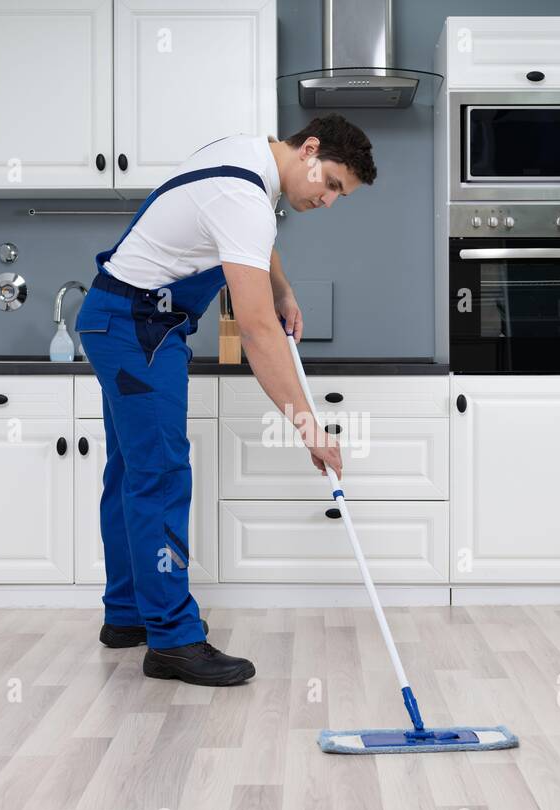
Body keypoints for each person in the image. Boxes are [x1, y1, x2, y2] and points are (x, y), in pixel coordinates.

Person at [74, 114, 377, 687]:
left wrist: (282, 287)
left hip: (120, 319)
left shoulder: (248, 160)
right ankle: (171, 639)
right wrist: (310, 428)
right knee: (159, 474)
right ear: (310, 150)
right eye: (333, 184)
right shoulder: (243, 196)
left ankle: (127, 614)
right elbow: (258, 331)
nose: (330, 201)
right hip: (139, 327)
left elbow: (254, 242)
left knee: (130, 471)